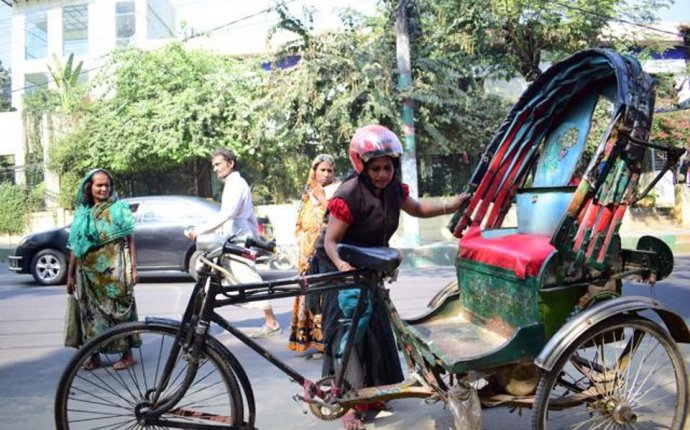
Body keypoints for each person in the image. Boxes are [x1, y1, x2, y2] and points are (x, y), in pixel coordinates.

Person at [315, 124, 470, 430]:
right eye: (376, 169)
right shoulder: (348, 194)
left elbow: (419, 208)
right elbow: (331, 243)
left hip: (367, 264)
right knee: (350, 336)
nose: (383, 174)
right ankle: (349, 405)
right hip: (339, 267)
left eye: (388, 167)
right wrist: (343, 268)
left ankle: (373, 394)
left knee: (375, 328)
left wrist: (452, 203)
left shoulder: (395, 189)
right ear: (362, 165)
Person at [186, 149, 282, 337]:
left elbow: (228, 213)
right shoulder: (231, 183)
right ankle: (198, 322)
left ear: (230, 164)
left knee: (249, 280)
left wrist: (200, 230)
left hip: (239, 242)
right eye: (213, 165)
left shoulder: (237, 184)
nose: (215, 169)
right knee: (210, 281)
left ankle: (272, 322)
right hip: (230, 240)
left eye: (218, 164)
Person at [66, 169, 140, 371]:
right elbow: (75, 246)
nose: (104, 189)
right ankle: (94, 355)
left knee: (120, 313)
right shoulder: (83, 214)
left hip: (115, 273)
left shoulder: (119, 209)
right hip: (87, 274)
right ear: (89, 188)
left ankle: (127, 355)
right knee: (90, 316)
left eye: (107, 185)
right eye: (99, 185)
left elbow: (130, 239)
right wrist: (70, 275)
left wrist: (134, 268)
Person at [288, 154, 337, 355]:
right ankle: (311, 341)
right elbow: (300, 225)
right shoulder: (308, 195)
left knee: (322, 297)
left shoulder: (334, 193)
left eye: (329, 171)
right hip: (306, 254)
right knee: (309, 297)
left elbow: (335, 215)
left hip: (323, 254)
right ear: (314, 171)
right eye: (322, 170)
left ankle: (326, 340)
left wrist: (322, 198)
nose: (326, 174)